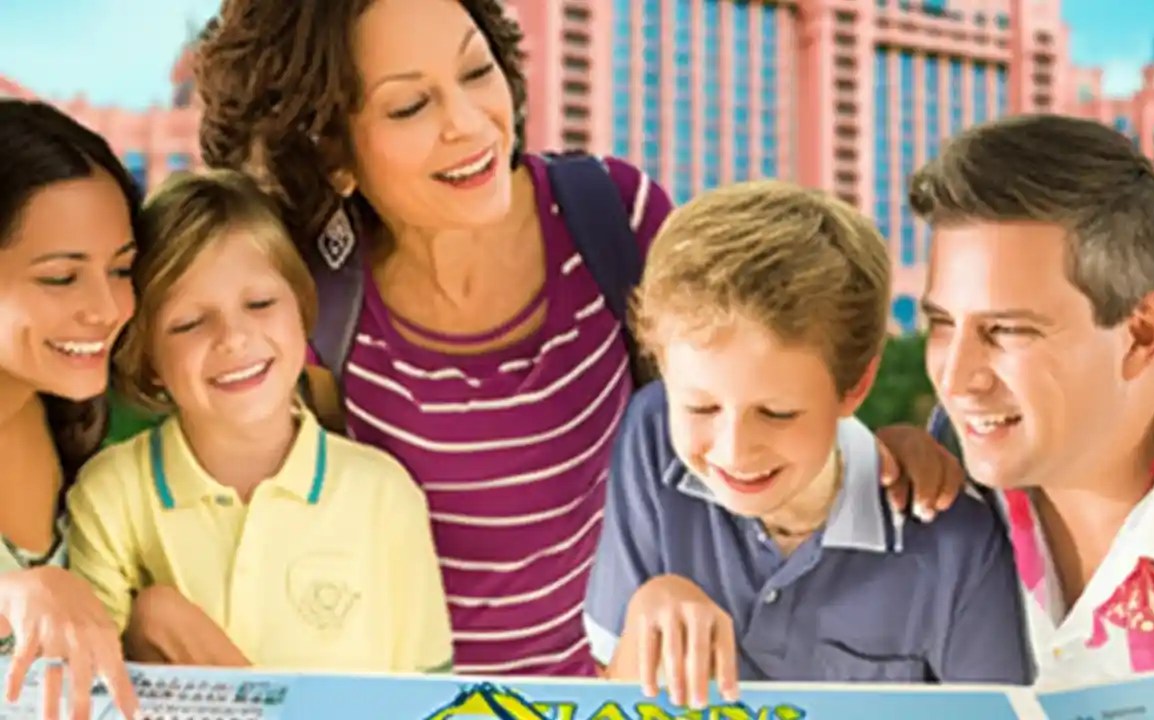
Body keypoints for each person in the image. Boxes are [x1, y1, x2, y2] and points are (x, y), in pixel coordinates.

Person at [141, 0, 966, 676]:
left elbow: (740, 420)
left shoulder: (611, 219)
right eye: (409, 105)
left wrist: (867, 460)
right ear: (332, 147)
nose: (470, 123)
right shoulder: (311, 299)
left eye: (475, 71)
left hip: (608, 689)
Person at [585, 181, 1031, 708]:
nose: (734, 451)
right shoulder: (652, 437)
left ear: (855, 387)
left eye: (776, 414)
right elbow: (610, 696)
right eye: (701, 408)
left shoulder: (957, 549)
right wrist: (647, 610)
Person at [914, 114, 1154, 686]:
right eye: (940, 324)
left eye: (1007, 330)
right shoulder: (919, 488)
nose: (957, 378)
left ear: (1139, 333)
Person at [68, 170, 454, 674]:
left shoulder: (384, 494)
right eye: (188, 323)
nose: (234, 338)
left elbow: (426, 693)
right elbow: (89, 690)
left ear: (301, 310)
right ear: (148, 361)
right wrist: (155, 622)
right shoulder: (111, 495)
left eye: (260, 303)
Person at [0, 99, 139, 720]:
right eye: (61, 278)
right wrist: (15, 591)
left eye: (121, 269)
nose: (106, 309)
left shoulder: (90, 416)